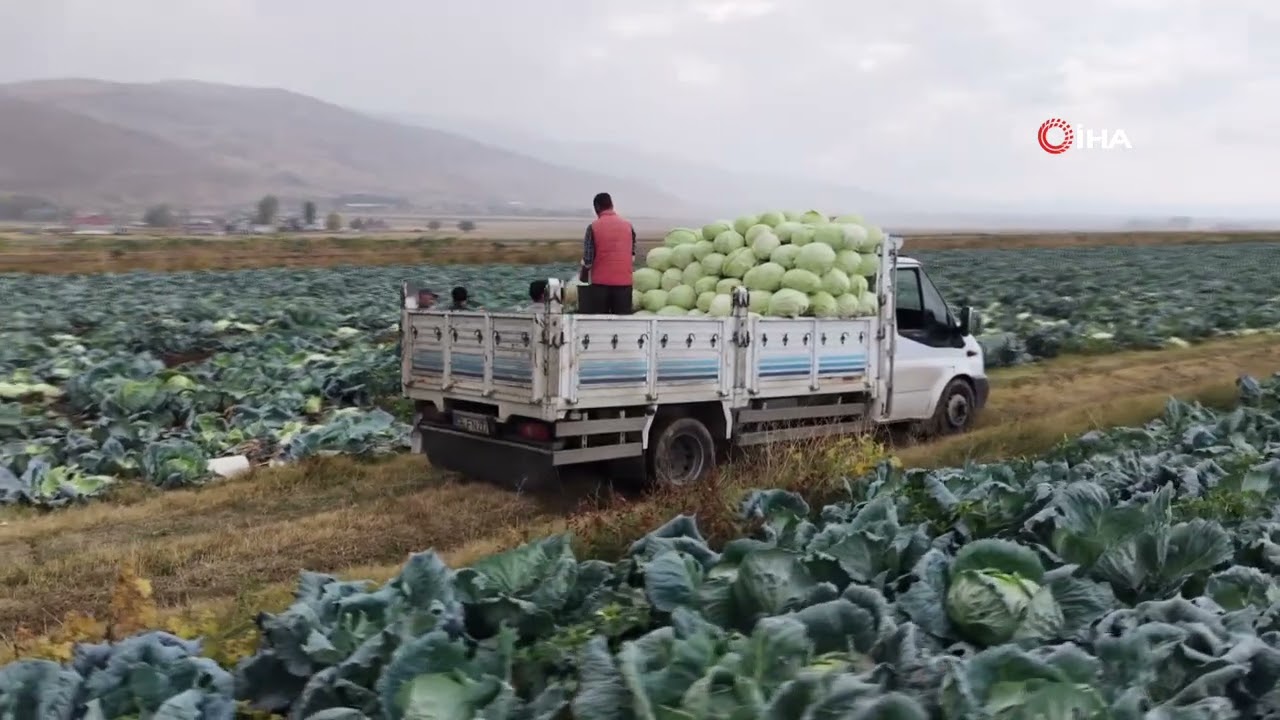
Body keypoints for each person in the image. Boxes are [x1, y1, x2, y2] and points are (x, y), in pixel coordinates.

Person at [578, 192, 636, 314]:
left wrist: (583, 276)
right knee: (622, 324)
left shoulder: (593, 227)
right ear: (612, 205)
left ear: (597, 208)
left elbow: (588, 260)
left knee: (600, 325)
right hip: (624, 284)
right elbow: (632, 256)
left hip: (600, 285)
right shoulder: (628, 226)